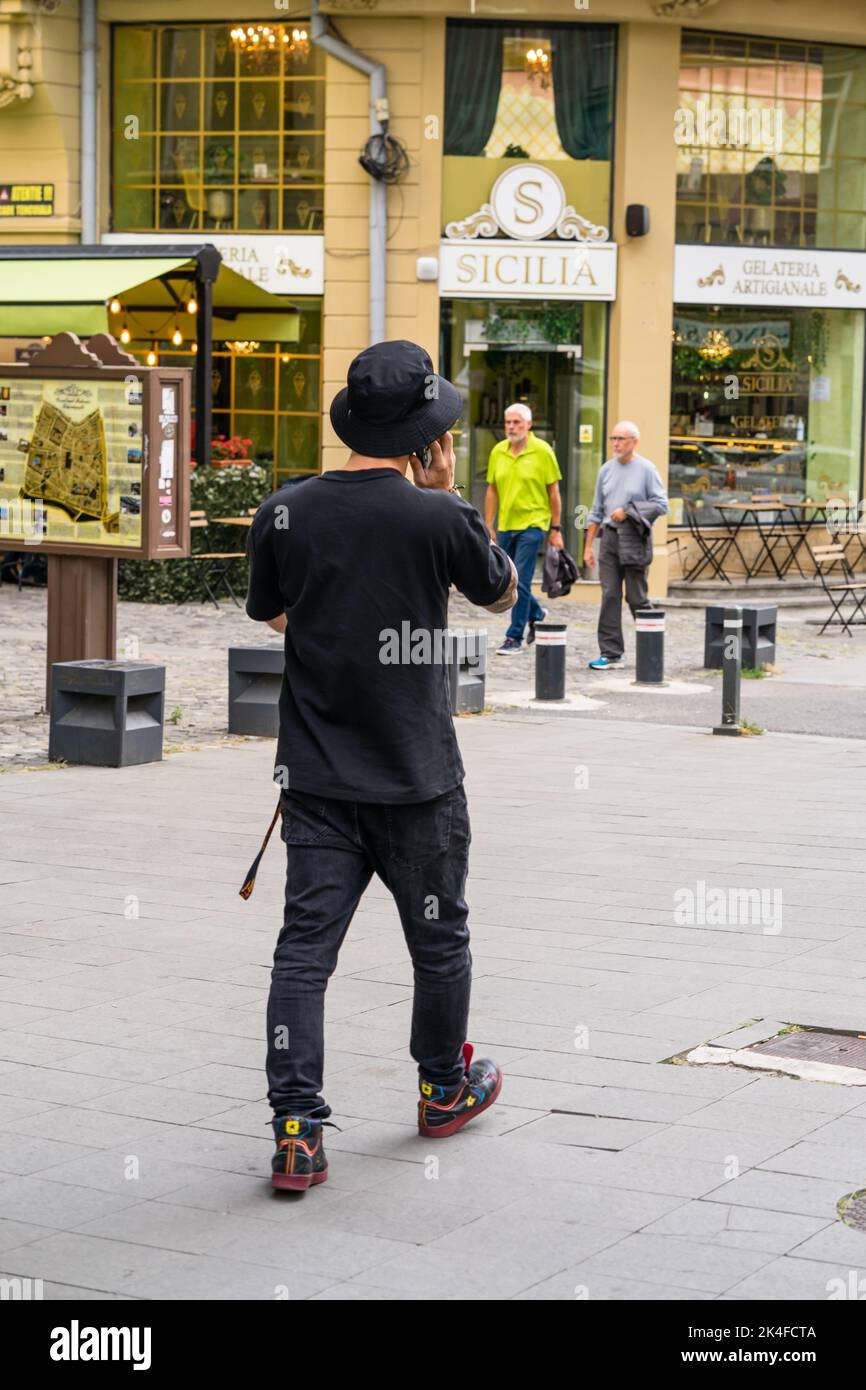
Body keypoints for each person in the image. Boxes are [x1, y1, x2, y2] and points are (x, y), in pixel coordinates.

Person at [245, 340, 517, 1191]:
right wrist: (450, 502)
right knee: (438, 946)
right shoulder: (439, 517)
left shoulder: (284, 510)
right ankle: (442, 1088)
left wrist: (334, 634)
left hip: (319, 782)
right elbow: (503, 594)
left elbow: (273, 615)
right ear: (426, 438)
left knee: (302, 956)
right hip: (417, 782)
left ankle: (296, 1131)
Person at [583, 420, 668, 671]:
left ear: (634, 442)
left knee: (636, 597)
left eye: (622, 439)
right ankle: (610, 653)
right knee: (609, 595)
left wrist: (629, 510)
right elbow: (596, 511)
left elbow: (662, 504)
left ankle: (651, 650)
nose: (616, 443)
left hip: (635, 537)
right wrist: (588, 547)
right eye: (614, 439)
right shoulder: (606, 470)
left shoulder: (647, 469)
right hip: (609, 538)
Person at [484, 403, 563, 655]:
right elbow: (492, 489)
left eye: (517, 422)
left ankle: (514, 637)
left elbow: (554, 493)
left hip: (533, 524)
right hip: (506, 525)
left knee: (521, 581)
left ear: (528, 425)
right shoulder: (498, 451)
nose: (511, 427)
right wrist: (488, 524)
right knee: (505, 579)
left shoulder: (542, 451)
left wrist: (556, 528)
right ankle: (537, 613)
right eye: (508, 422)